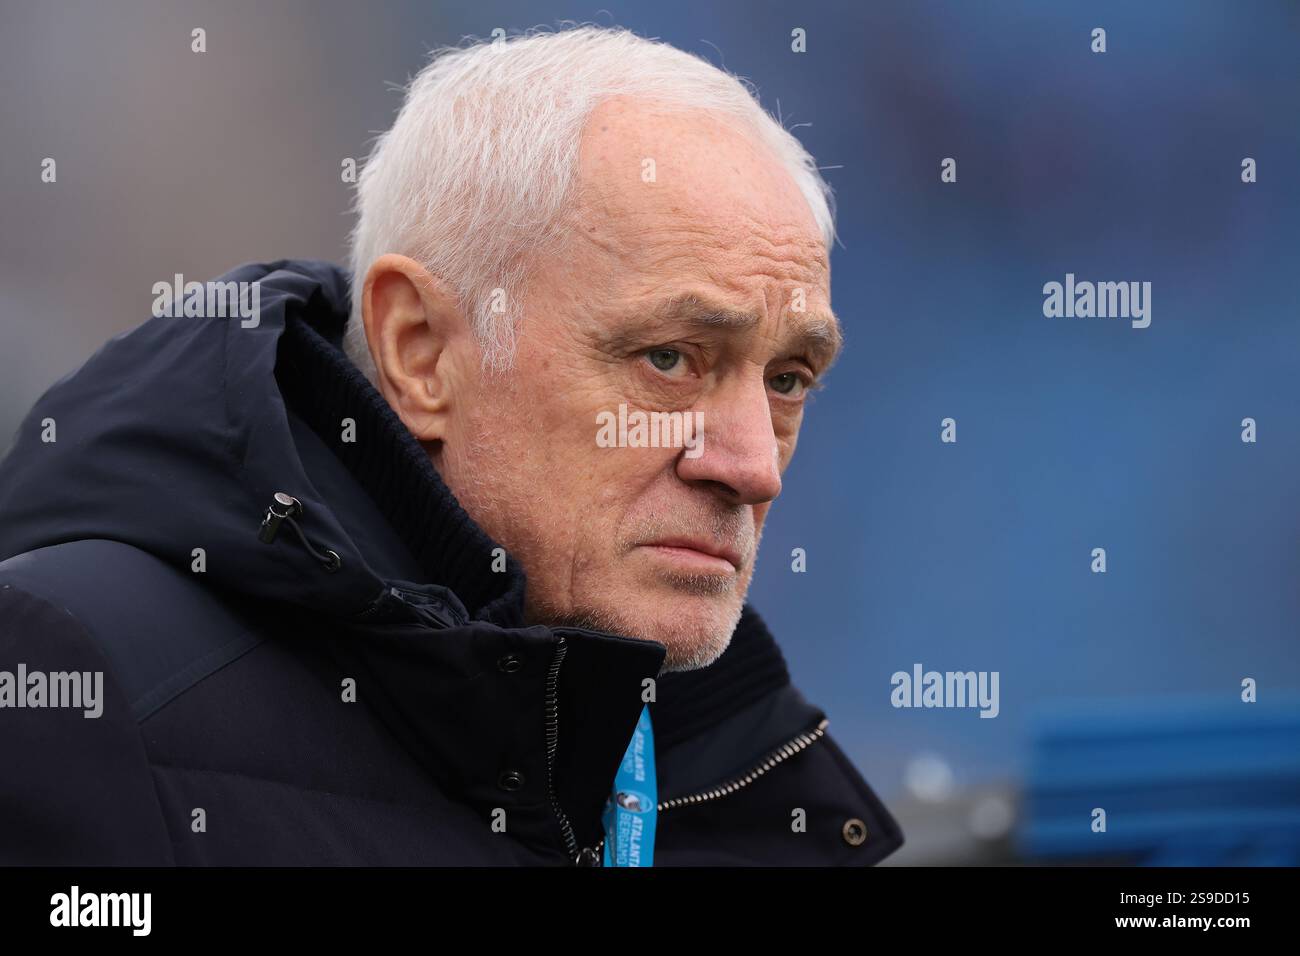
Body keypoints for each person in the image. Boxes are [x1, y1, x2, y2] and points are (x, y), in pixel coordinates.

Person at [0, 25, 902, 866]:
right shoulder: (71, 683)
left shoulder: (735, 776)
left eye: (787, 380)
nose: (752, 466)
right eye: (668, 358)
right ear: (422, 350)